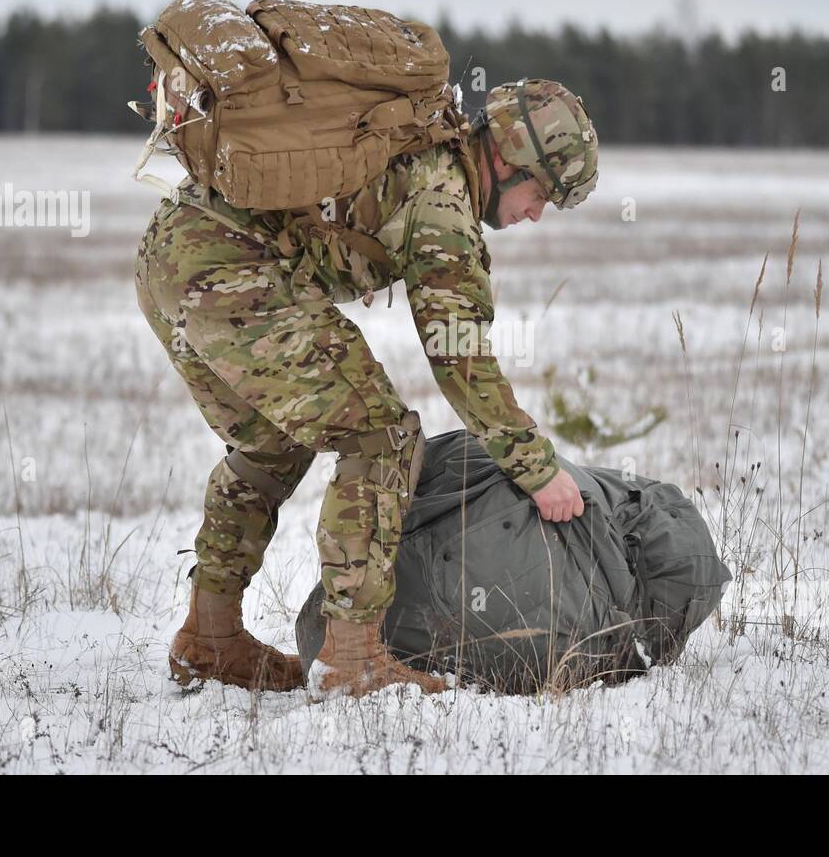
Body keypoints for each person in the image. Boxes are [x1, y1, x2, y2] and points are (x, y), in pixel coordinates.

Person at [134, 78, 598, 698]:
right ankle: (351, 660)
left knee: (274, 442)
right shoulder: (443, 201)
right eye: (541, 193)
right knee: (382, 437)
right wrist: (537, 468)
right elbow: (459, 358)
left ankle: (210, 638)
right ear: (508, 156)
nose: (536, 213)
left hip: (170, 255)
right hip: (232, 273)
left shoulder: (419, 148)